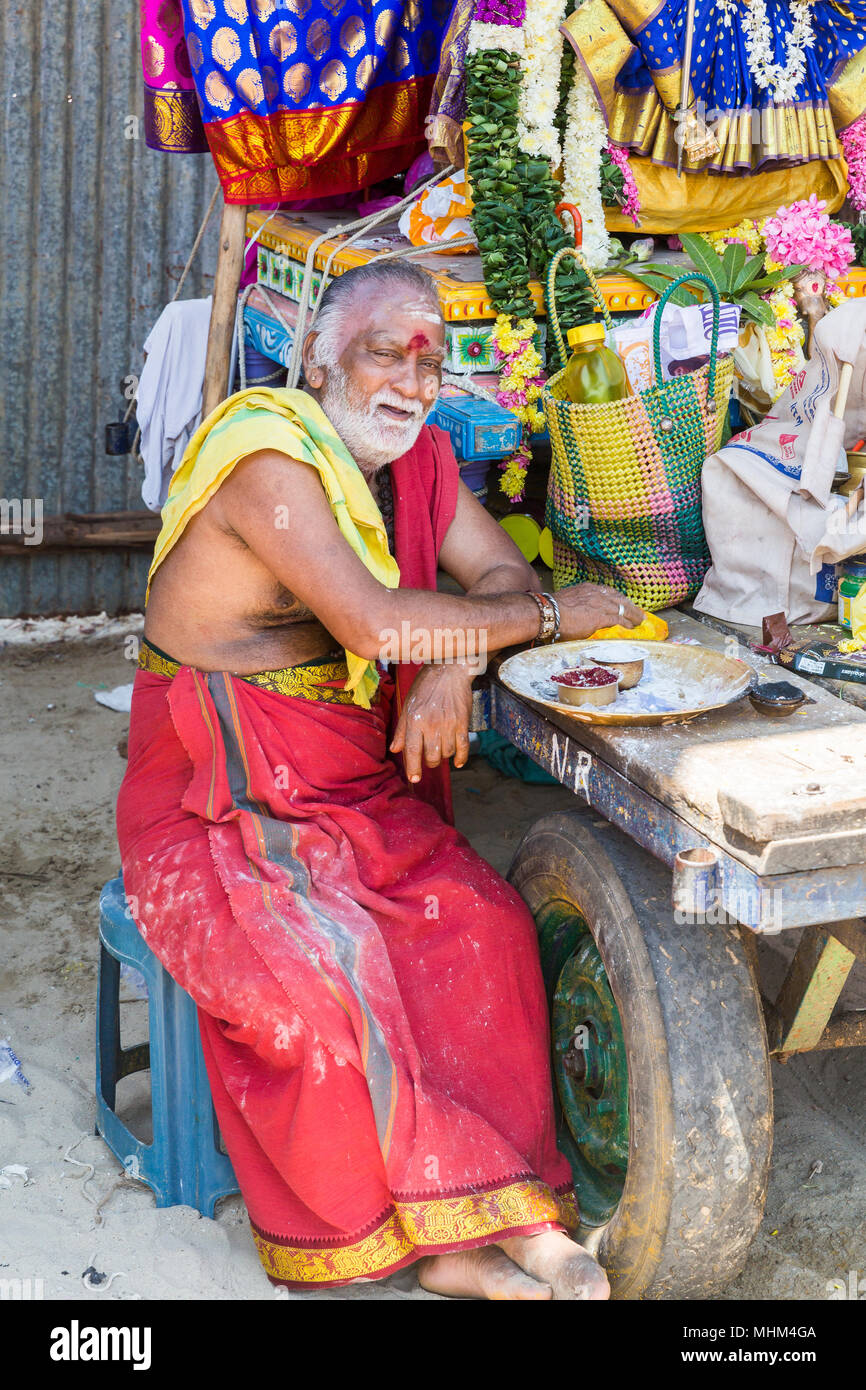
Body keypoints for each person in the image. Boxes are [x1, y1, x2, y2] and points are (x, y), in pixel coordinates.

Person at [116, 259, 641, 1299]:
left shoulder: (418, 463)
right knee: (321, 992)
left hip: (346, 795)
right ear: (318, 353)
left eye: (432, 357)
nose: (412, 374)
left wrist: (453, 658)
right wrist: (539, 623)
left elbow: (499, 576)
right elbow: (374, 619)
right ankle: (444, 1248)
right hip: (217, 804)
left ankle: (501, 1212)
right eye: (384, 348)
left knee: (482, 927)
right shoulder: (267, 458)